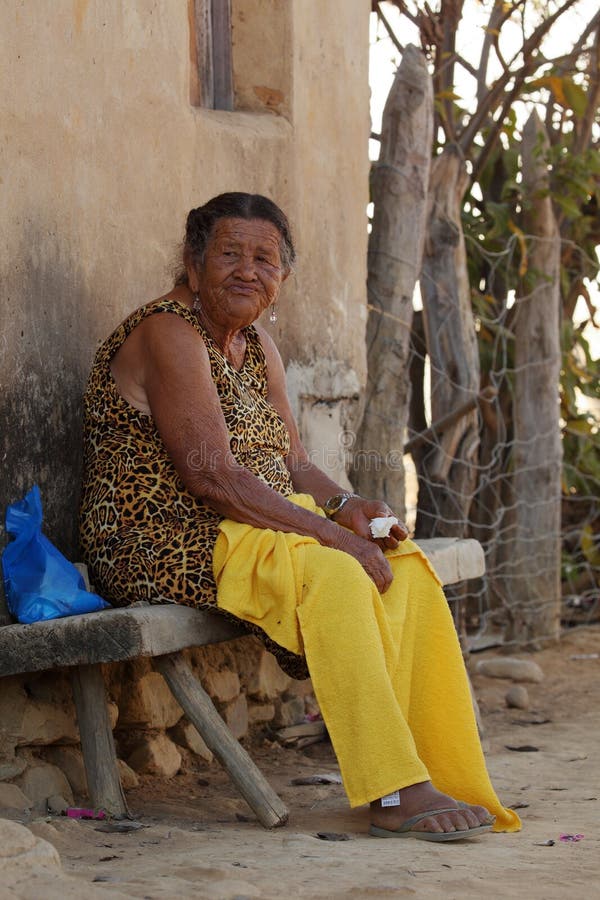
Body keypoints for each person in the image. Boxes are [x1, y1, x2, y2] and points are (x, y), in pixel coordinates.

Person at [80, 192, 520, 840]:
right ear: (191, 260)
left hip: (246, 525)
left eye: (266, 259)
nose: (248, 271)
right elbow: (211, 475)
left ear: (282, 276)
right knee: (338, 575)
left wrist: (348, 508)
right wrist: (331, 539)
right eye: (230, 254)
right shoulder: (168, 333)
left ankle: (435, 768)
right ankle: (393, 792)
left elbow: (291, 462)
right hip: (161, 536)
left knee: (406, 566)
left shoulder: (257, 345)